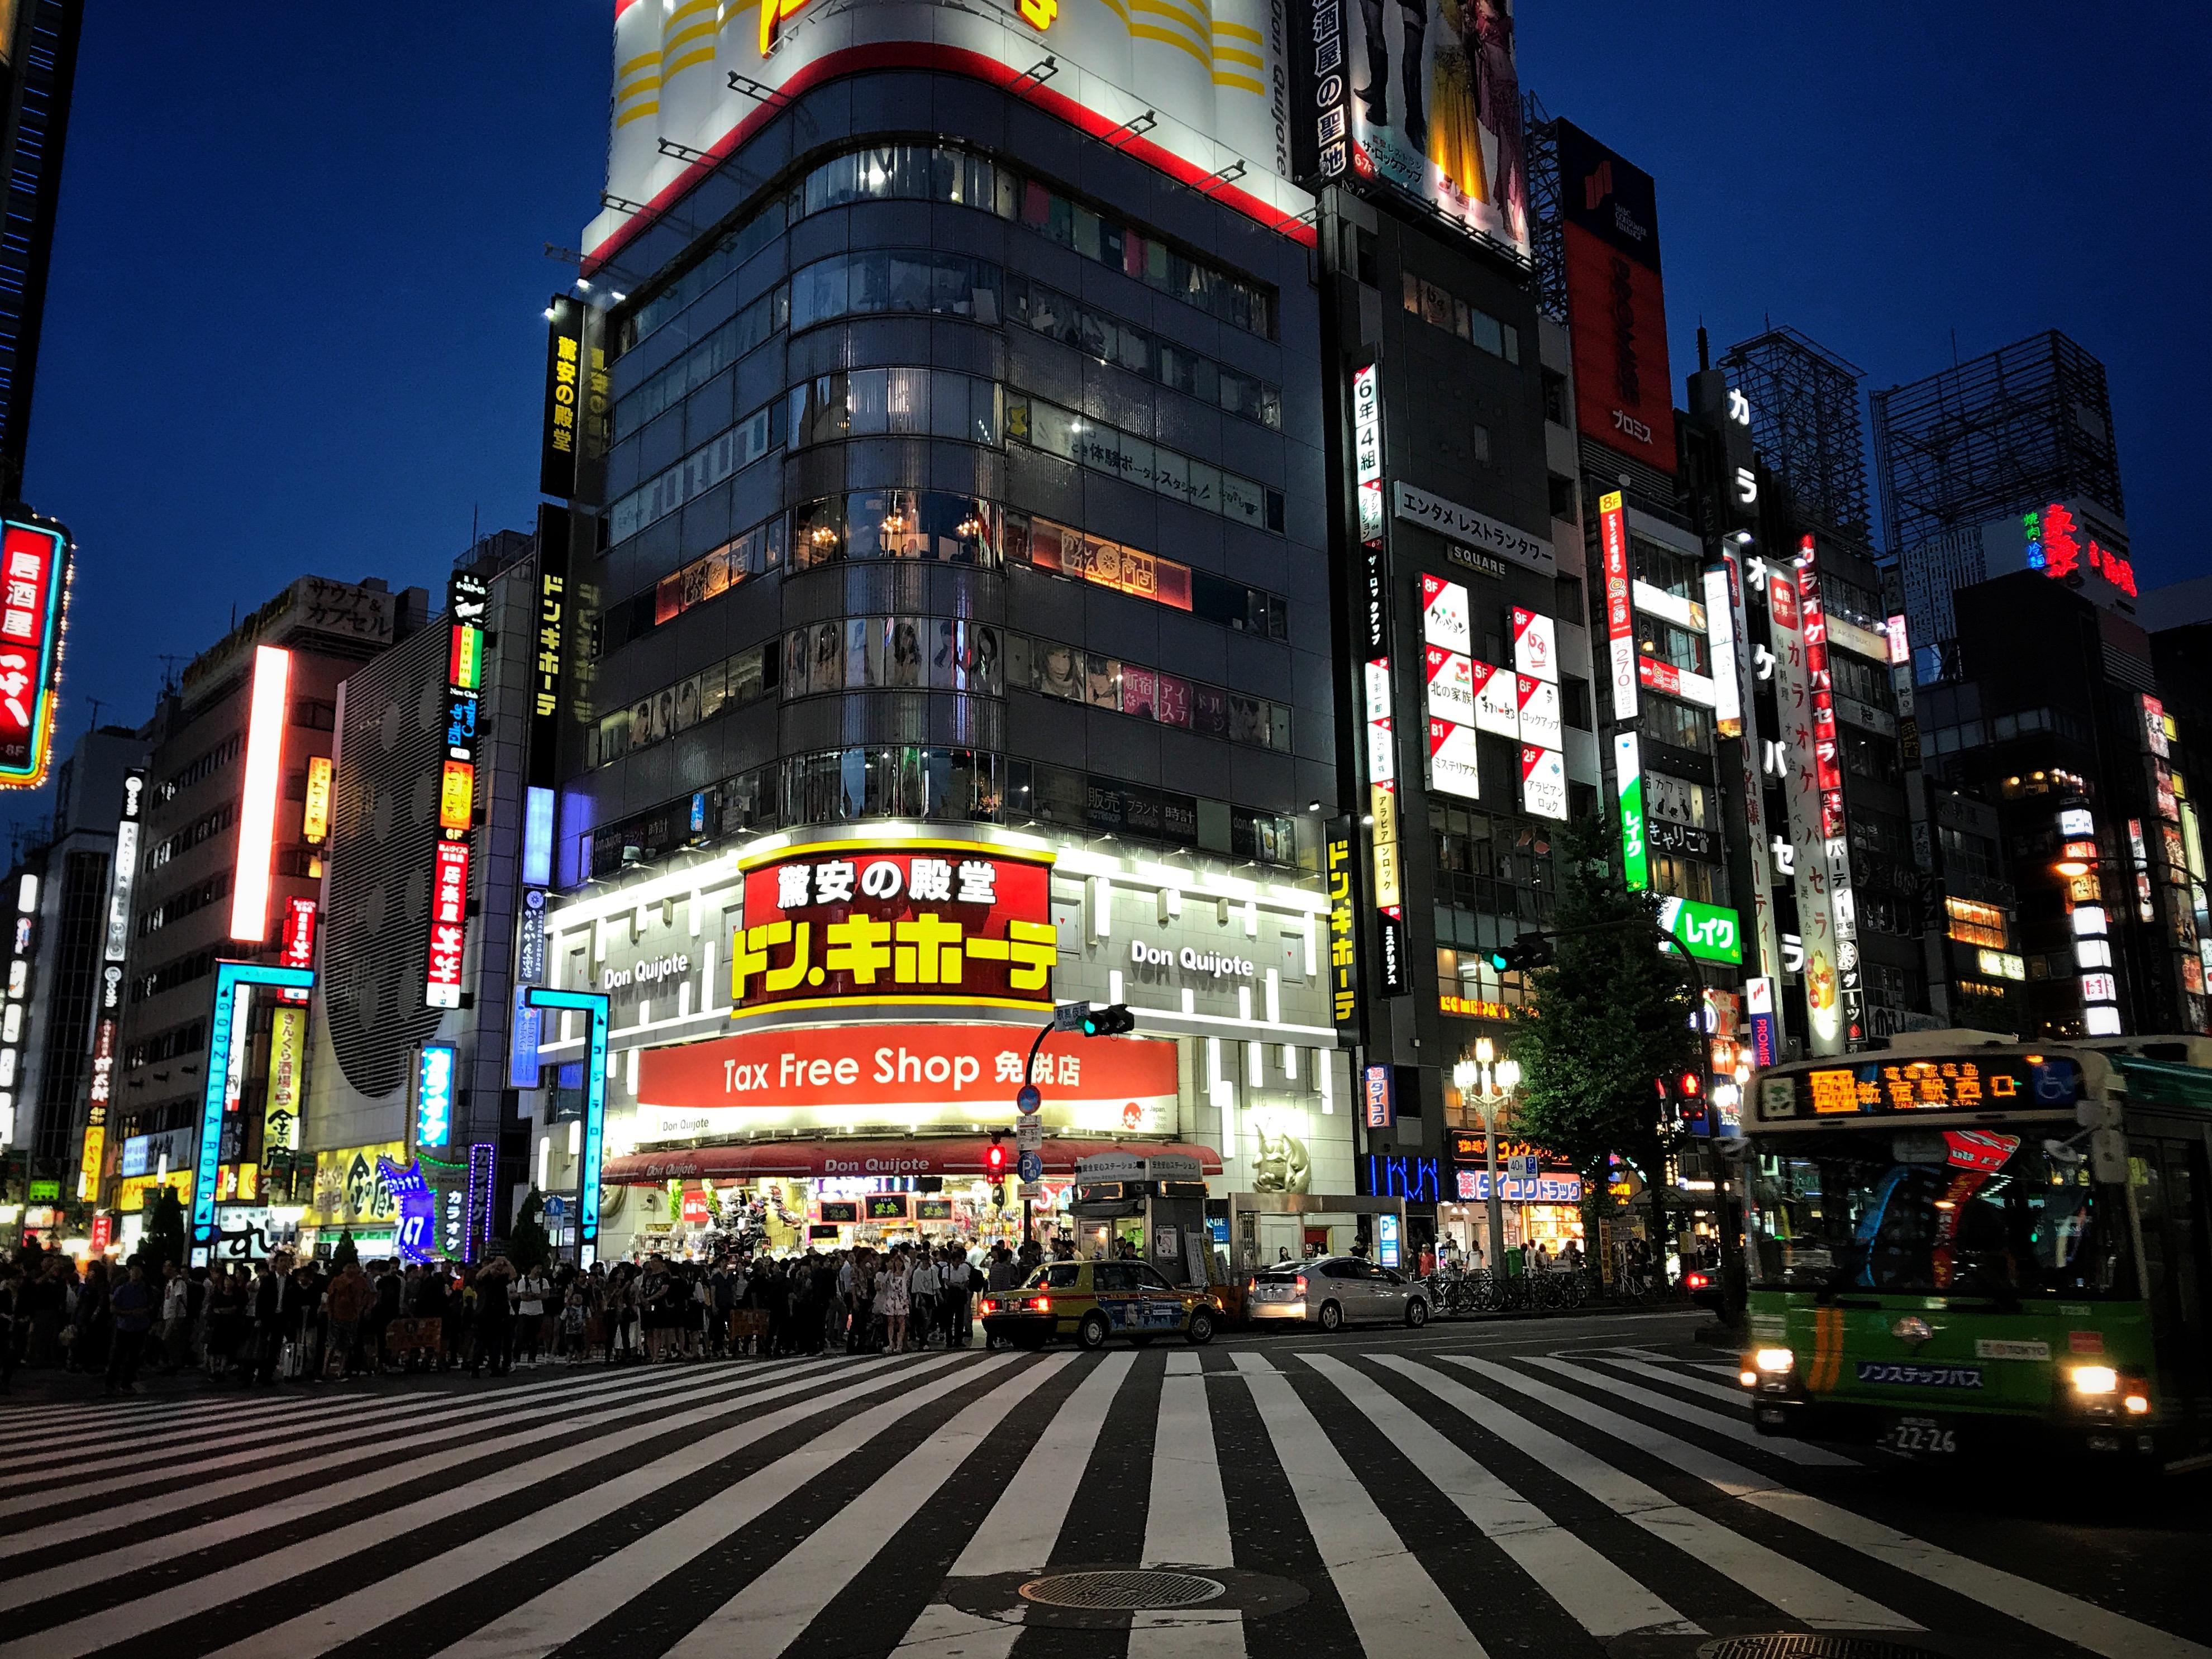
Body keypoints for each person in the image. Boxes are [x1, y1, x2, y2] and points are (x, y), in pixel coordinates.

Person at [105, 1262, 156, 1394]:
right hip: (124, 1326)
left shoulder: (146, 1289)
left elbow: (152, 1305)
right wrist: (130, 1313)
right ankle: (111, 1383)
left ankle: (126, 1383)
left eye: (138, 1271)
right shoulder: (122, 1289)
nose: (136, 1274)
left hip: (140, 1326)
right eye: (134, 1271)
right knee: (118, 1355)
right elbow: (113, 1308)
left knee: (134, 1357)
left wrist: (145, 1311)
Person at [325, 1260, 374, 1378]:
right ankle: (325, 1370)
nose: (351, 1270)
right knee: (332, 1344)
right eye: (349, 1267)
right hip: (337, 1316)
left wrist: (363, 1309)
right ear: (344, 1268)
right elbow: (330, 1298)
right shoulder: (337, 1281)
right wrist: (330, 1313)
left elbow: (369, 1295)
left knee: (346, 1346)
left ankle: (340, 1371)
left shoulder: (361, 1281)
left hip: (352, 1317)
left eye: (354, 1267)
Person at [512, 1264, 550, 1368]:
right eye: (537, 1268)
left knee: (535, 1338)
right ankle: (515, 1359)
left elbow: (545, 1296)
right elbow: (523, 1297)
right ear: (531, 1269)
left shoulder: (544, 1281)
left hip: (538, 1312)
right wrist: (537, 1296)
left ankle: (532, 1359)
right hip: (524, 1312)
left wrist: (532, 1295)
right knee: (520, 1337)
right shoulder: (523, 1281)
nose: (539, 1271)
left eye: (541, 1268)